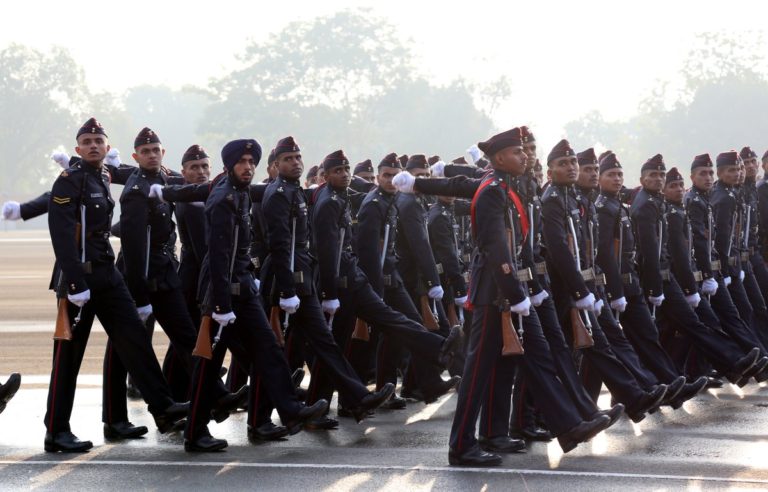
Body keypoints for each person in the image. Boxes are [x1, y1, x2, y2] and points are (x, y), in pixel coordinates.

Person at [396, 128, 613, 467]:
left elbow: (462, 190)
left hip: (513, 292)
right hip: (495, 295)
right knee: (478, 372)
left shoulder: (506, 186)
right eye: (517, 152)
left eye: (525, 152)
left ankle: (561, 427)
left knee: (531, 359)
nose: (525, 157)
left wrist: (528, 289)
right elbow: (496, 248)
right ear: (498, 159)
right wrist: (515, 294)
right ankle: (461, 446)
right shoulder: (493, 191)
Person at [45, 117, 188, 452]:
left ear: (107, 148)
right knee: (69, 356)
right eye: (87, 141)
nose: (94, 145)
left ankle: (163, 408)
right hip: (77, 280)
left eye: (99, 141)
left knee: (134, 338)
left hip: (108, 274)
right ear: (78, 148)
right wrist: (75, 282)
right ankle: (56, 429)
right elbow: (61, 234)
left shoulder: (105, 175)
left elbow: (157, 175)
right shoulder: (69, 180)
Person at [183, 138, 328, 452]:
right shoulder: (223, 199)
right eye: (242, 163)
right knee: (208, 363)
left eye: (252, 163)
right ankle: (194, 432)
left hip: (244, 289)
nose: (248, 168)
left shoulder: (241, 193)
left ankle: (290, 412)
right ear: (229, 166)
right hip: (222, 293)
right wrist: (220, 304)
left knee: (269, 350)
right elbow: (219, 256)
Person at [260, 136, 394, 428]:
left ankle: (354, 397)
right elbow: (281, 246)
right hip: (286, 283)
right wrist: (285, 290)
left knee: (322, 343)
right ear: (275, 165)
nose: (295, 163)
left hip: (302, 281)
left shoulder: (296, 190)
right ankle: (265, 417)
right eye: (288, 159)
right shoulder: (278, 194)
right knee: (270, 350)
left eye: (298, 157)